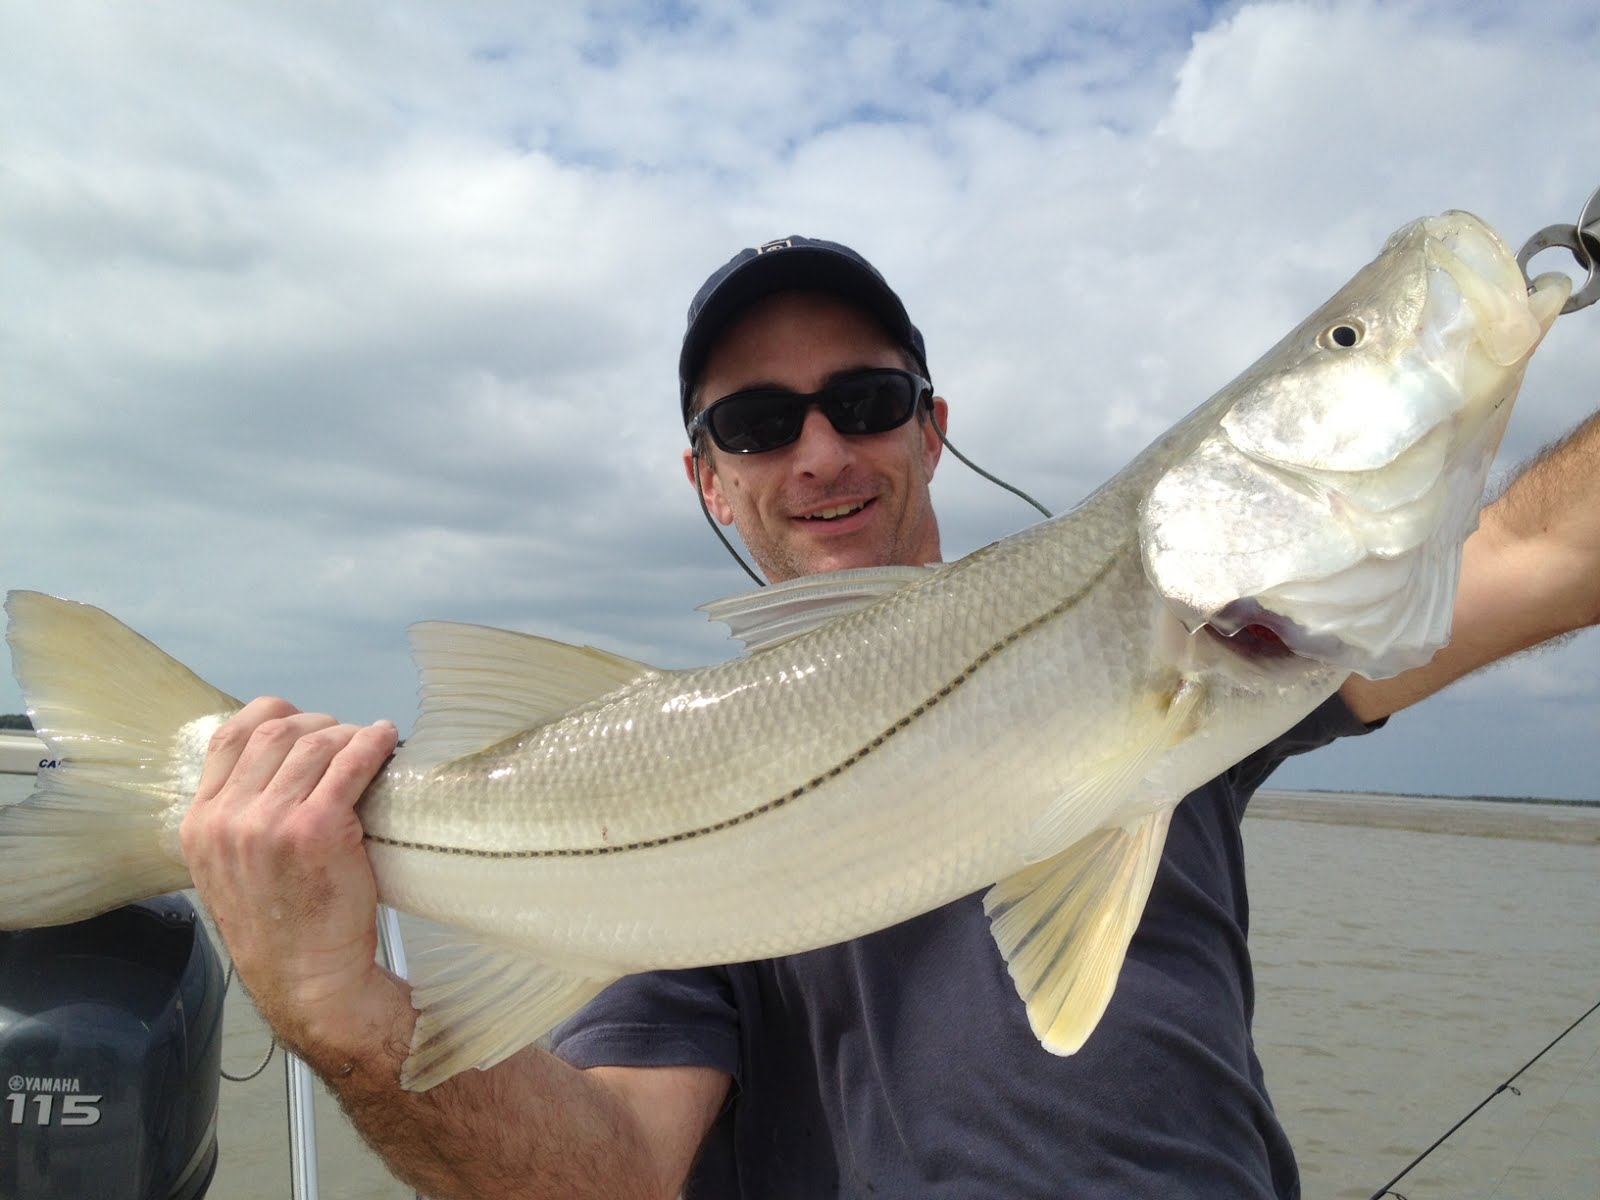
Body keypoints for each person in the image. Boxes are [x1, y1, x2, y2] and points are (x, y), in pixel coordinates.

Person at [181, 236, 1600, 1199]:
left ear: (930, 425)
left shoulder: (1238, 664)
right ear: (705, 479)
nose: (820, 452)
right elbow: (609, 1175)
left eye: (865, 400)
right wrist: (350, 1025)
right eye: (755, 425)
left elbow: (1555, 553)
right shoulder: (654, 767)